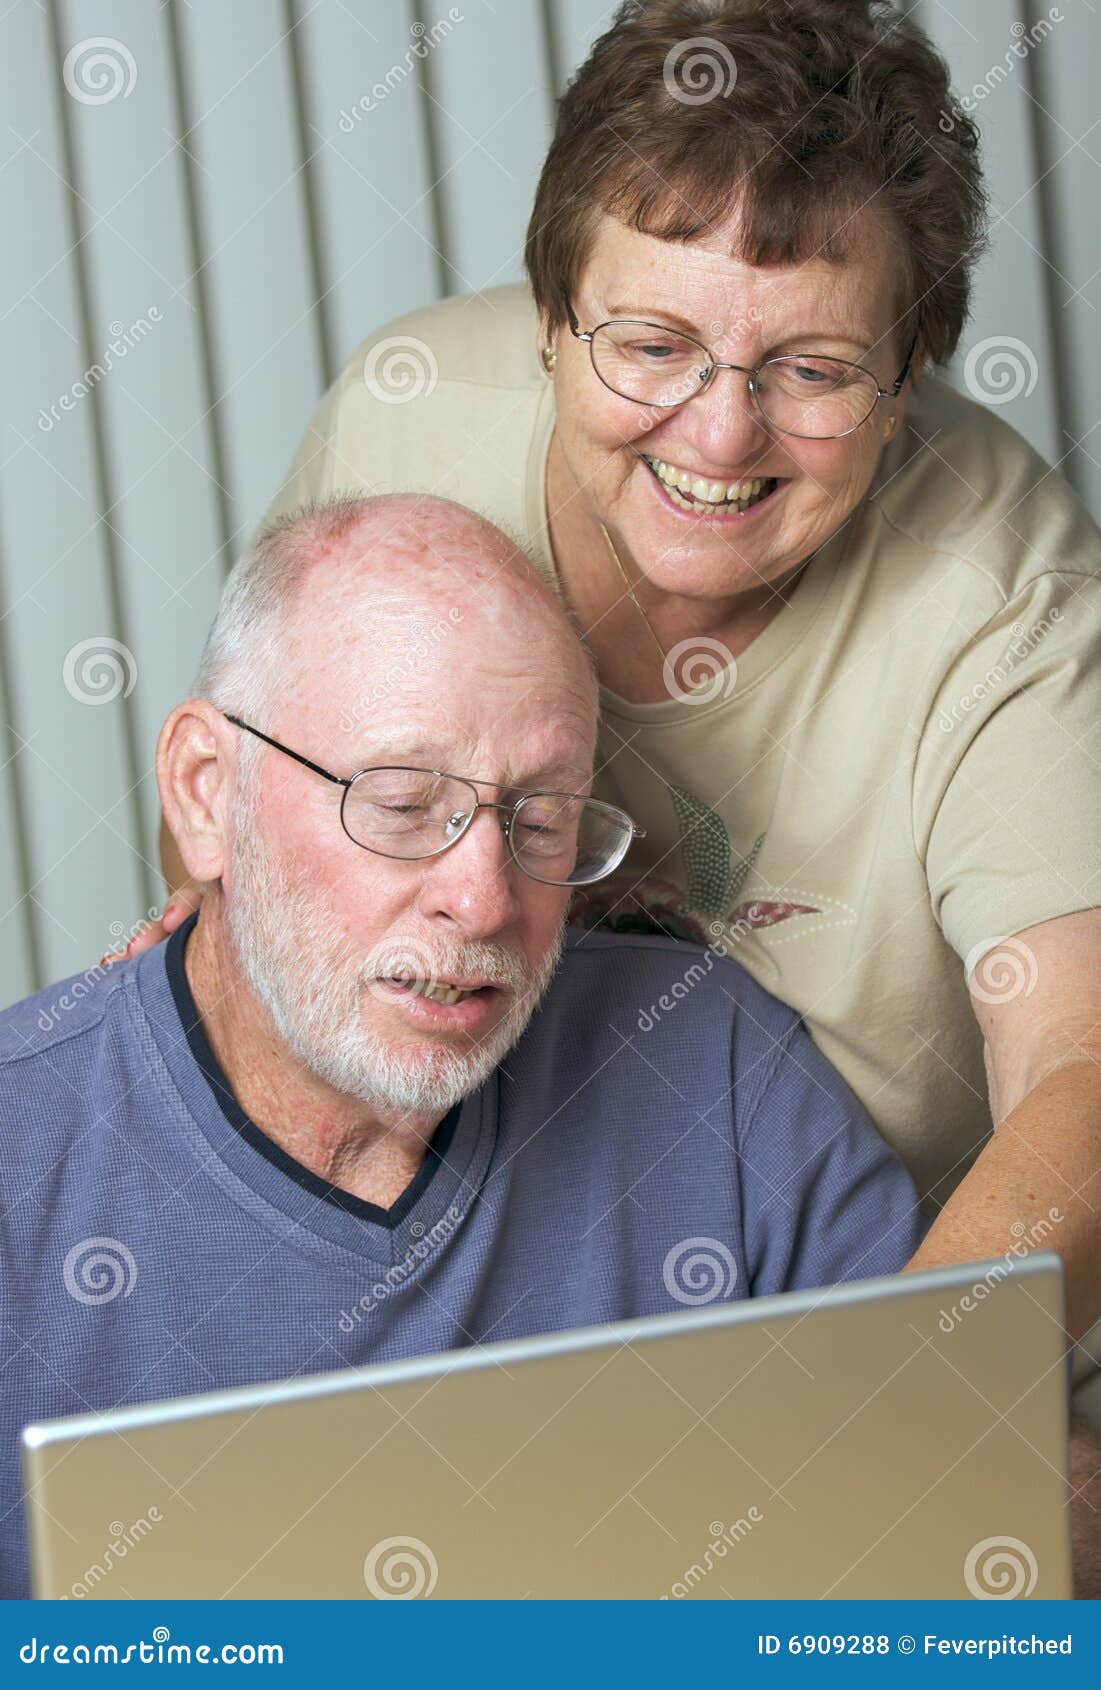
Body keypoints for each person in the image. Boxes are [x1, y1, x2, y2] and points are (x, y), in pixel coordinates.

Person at [133, 0, 1101, 1357]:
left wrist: (900, 1412)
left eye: (813, 369)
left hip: (910, 1314)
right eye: (651, 345)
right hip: (495, 1290)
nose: (721, 430)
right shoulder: (408, 420)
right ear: (550, 317)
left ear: (907, 382)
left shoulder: (1007, 594)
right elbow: (240, 816)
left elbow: (1081, 1072)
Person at [0, 494, 929, 1601]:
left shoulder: (707, 1058)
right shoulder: (24, 1158)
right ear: (209, 796)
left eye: (541, 820)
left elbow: (988, 1492)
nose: (486, 900)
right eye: (401, 805)